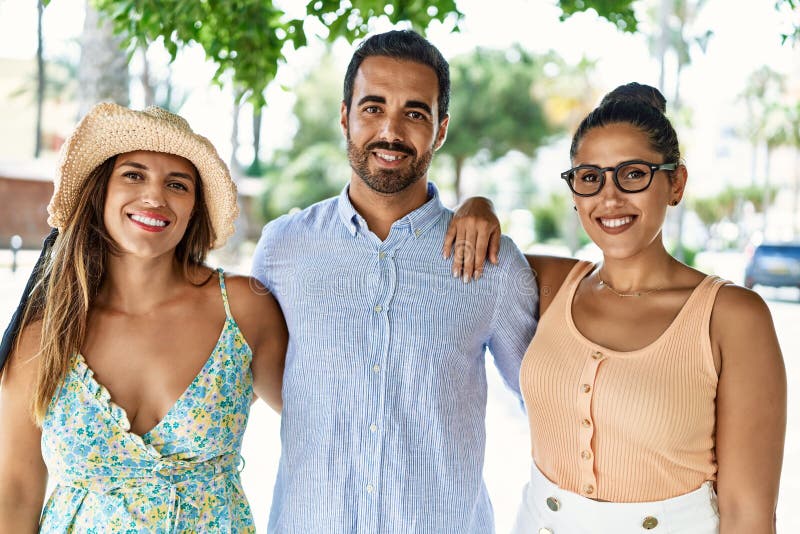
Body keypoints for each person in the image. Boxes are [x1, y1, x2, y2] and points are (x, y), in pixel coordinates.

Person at [453, 82, 786, 533]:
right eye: (590, 177)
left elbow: (748, 513)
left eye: (633, 174)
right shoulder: (549, 283)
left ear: (676, 183)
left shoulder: (731, 317)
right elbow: (456, 253)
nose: (609, 197)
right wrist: (479, 204)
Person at [251, 29, 538, 533]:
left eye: (415, 113)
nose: (391, 130)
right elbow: (258, 381)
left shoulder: (492, 262)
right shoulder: (283, 248)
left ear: (441, 130)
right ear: (345, 116)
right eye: (372, 107)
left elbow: (548, 403)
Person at [0, 103, 288, 532]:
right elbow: (16, 491)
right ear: (101, 193)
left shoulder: (242, 310)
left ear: (195, 208)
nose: (155, 196)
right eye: (133, 175)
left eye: (178, 184)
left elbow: (324, 430)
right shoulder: (44, 334)